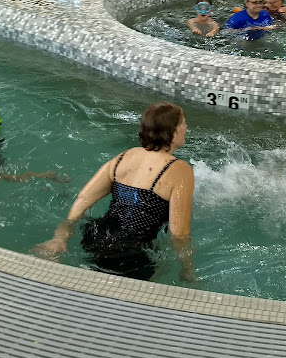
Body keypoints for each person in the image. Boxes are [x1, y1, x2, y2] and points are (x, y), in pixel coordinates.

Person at [34, 102, 196, 282]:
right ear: (172, 132)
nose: (186, 127)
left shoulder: (124, 157)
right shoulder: (180, 170)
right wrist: (187, 268)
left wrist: (60, 237)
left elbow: (84, 198)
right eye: (183, 123)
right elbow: (179, 234)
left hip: (95, 237)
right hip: (131, 252)